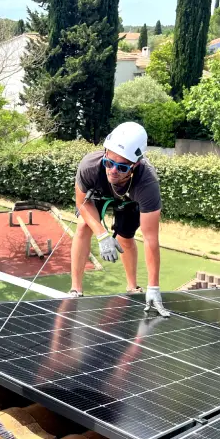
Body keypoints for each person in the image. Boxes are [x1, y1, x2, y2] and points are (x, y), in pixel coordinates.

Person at [69, 122, 170, 317]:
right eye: (109, 163)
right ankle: (75, 289)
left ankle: (132, 287)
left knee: (125, 237)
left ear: (135, 165)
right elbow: (82, 205)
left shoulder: (147, 183)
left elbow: (150, 239)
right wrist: (102, 235)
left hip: (130, 199)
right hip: (97, 194)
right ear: (105, 153)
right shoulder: (90, 166)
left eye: (122, 167)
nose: (113, 171)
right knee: (83, 226)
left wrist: (154, 287)